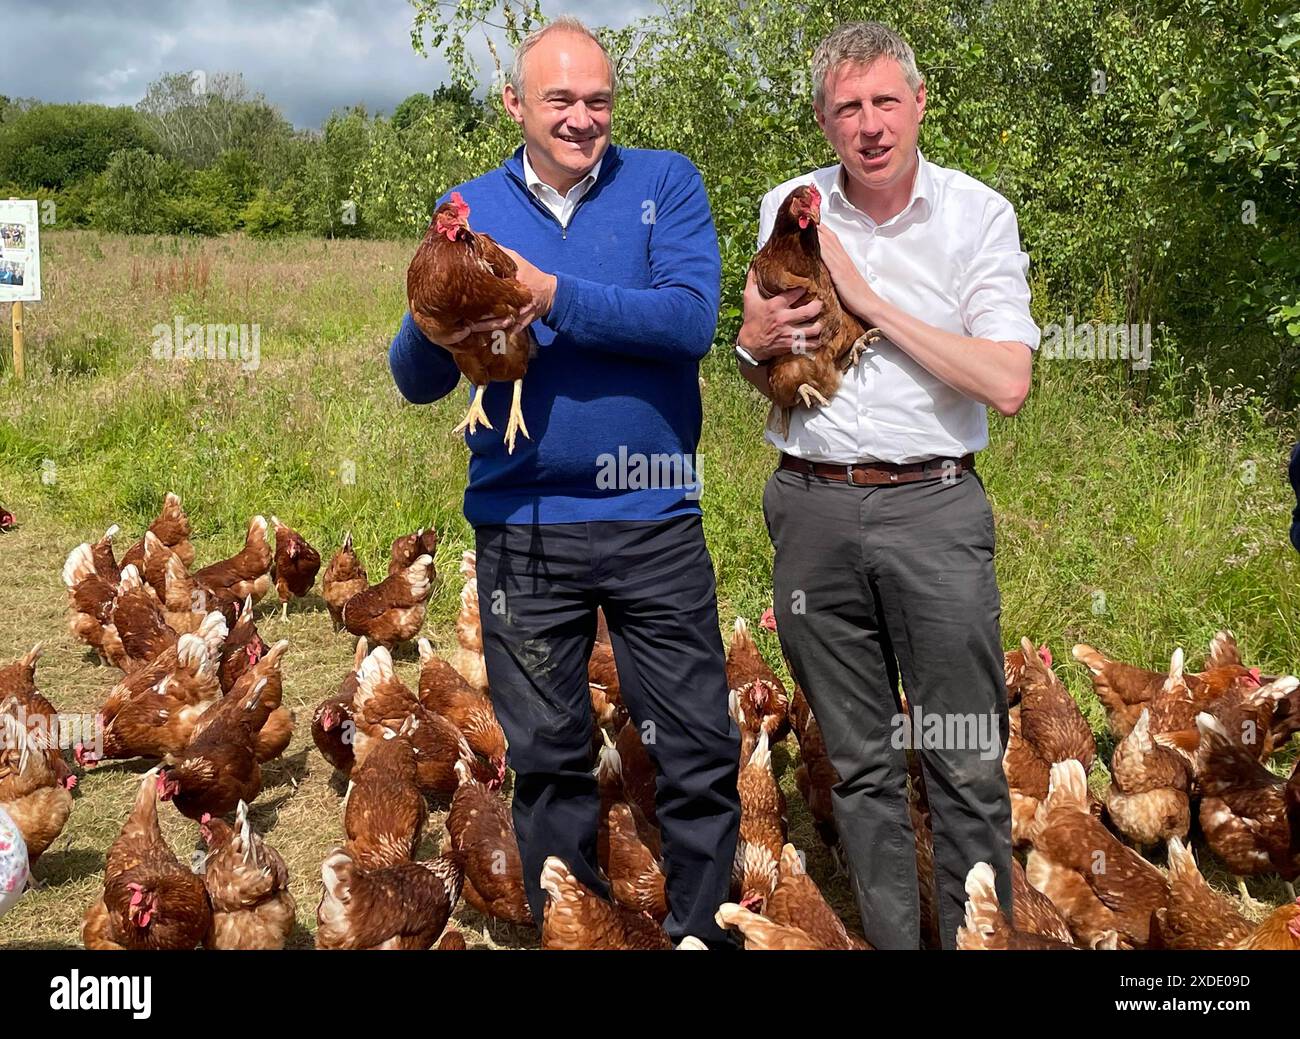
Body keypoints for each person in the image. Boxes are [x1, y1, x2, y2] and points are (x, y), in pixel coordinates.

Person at [388, 16, 740, 947]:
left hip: (653, 513)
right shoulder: (469, 202)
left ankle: (704, 925)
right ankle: (573, 923)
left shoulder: (664, 184)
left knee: (697, 742)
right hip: (523, 524)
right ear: (515, 103)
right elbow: (417, 381)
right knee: (548, 756)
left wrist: (551, 295)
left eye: (598, 100)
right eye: (560, 100)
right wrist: (438, 319)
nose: (583, 118)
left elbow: (688, 320)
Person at [736, 20, 1039, 949]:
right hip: (812, 503)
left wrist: (869, 303)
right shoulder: (789, 206)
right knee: (859, 766)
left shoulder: (975, 214)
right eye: (846, 108)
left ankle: (976, 937)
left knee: (962, 761)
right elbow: (767, 365)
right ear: (826, 123)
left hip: (932, 507)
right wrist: (750, 344)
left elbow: (1008, 380)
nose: (868, 125)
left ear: (917, 104)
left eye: (884, 102)